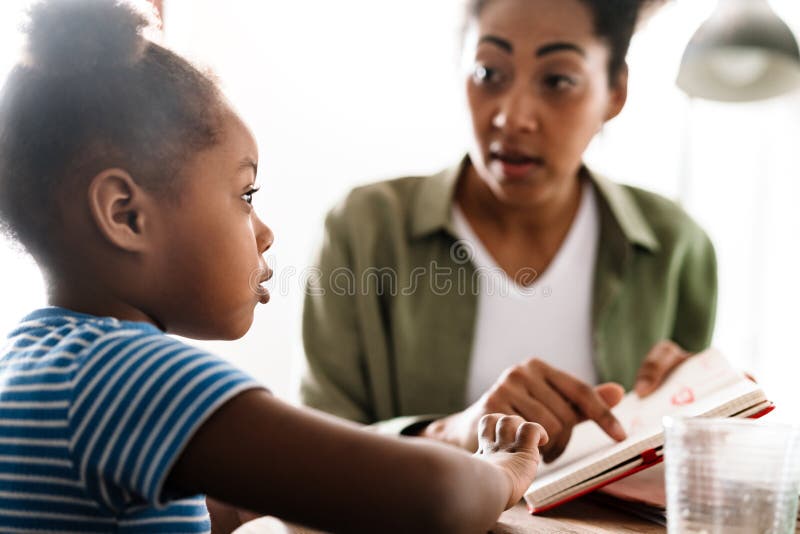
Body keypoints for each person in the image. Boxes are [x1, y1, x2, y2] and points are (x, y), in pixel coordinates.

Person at [0, 1, 549, 532]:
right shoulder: (137, 375)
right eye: (246, 194)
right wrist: (500, 471)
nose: (265, 232)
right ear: (126, 214)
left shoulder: (31, 363)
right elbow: (438, 498)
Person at [301, 0, 717, 461]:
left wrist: (711, 413)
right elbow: (312, 455)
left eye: (557, 81)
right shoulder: (366, 228)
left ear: (615, 91)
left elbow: (677, 473)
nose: (512, 117)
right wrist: (450, 433)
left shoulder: (676, 247)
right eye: (488, 74)